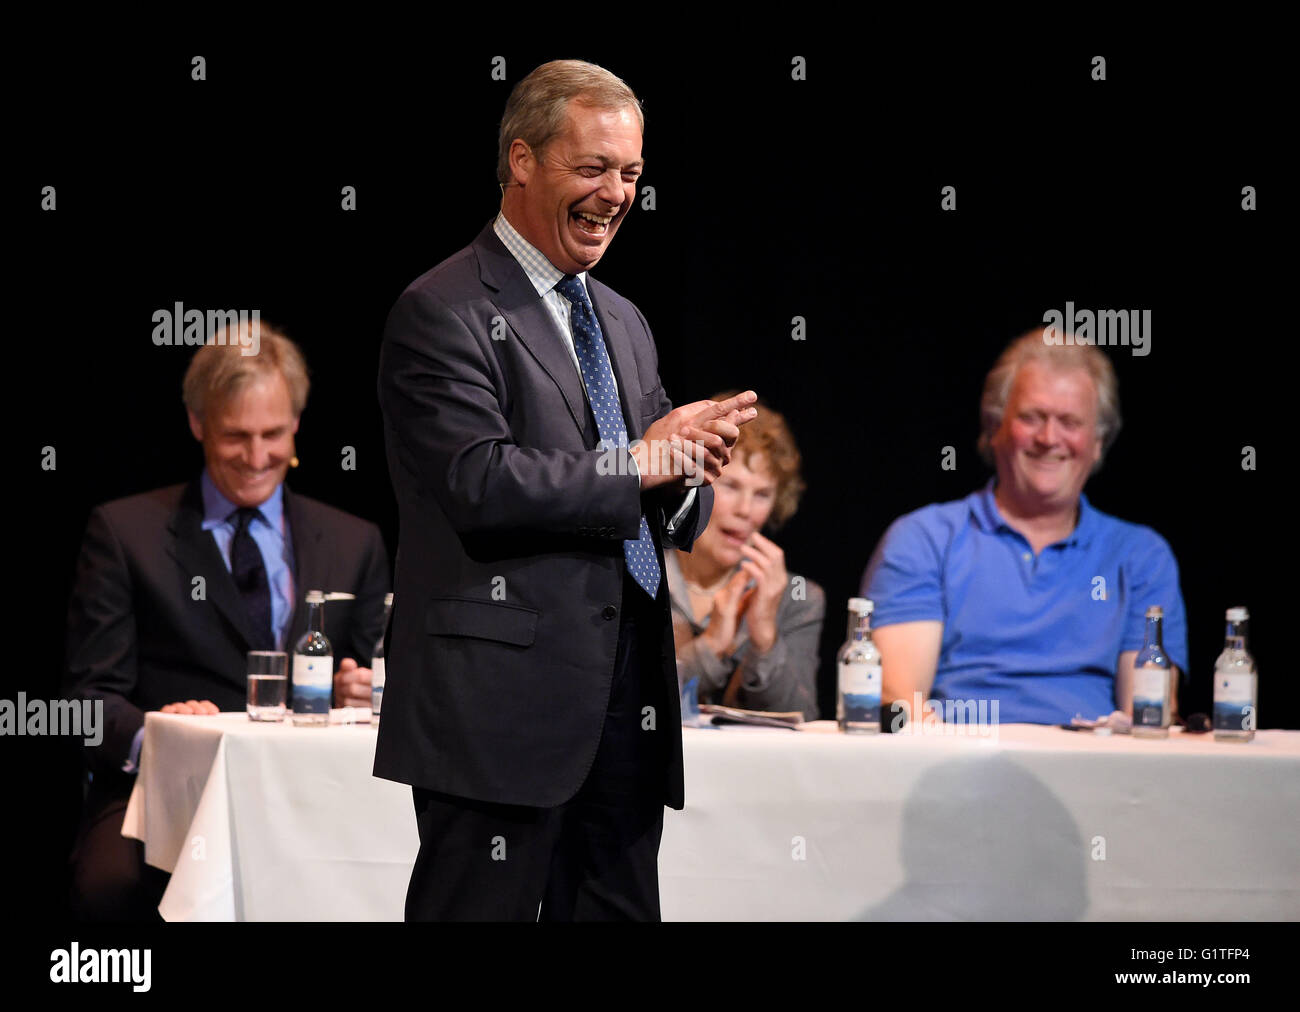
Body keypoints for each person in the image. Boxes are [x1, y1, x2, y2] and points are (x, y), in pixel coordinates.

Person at [374, 59, 757, 921]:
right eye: (592, 169)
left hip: (628, 703)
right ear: (521, 161)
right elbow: (480, 481)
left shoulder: (621, 317)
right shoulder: (444, 309)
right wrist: (642, 462)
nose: (615, 195)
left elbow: (650, 479)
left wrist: (694, 467)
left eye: (630, 175)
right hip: (499, 711)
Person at [63, 320, 391, 920]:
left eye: (273, 433)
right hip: (163, 795)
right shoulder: (123, 532)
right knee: (108, 885)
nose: (258, 457)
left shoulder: (355, 541)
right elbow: (89, 699)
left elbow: (383, 678)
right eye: (235, 436)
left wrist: (366, 689)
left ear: (296, 422)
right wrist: (159, 735)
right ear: (197, 424)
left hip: (313, 789)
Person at [861, 328, 1188, 727]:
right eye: (1031, 418)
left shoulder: (1141, 556)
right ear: (994, 428)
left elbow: (1150, 714)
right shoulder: (923, 539)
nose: (1049, 438)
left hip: (1097, 775)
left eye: (1070, 421)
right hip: (957, 771)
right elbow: (902, 705)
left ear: (1099, 441)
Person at [668, 394, 822, 720]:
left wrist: (765, 637)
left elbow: (802, 721)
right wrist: (711, 646)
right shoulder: (643, 575)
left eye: (763, 494)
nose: (746, 511)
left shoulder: (798, 598)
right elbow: (631, 704)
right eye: (732, 486)